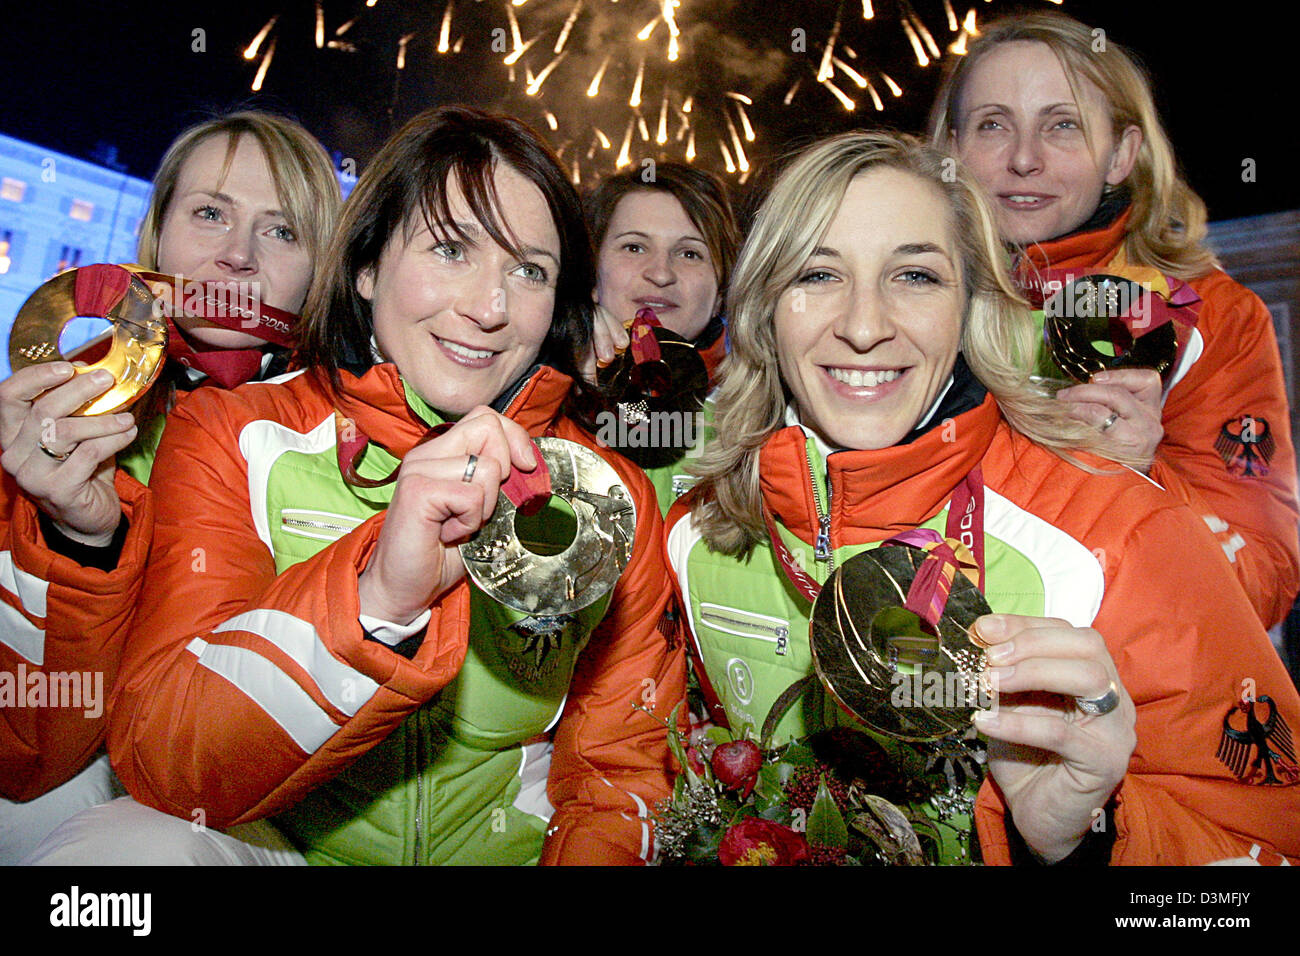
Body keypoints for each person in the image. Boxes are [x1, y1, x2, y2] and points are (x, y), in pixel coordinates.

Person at [29, 106, 682, 866]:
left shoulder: (611, 494)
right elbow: (164, 762)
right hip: (287, 853)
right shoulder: (230, 434)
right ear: (366, 267)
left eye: (528, 270)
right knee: (120, 854)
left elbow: (619, 775)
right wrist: (377, 600)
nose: (489, 308)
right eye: (449, 249)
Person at [666, 130, 1300, 865]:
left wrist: (1076, 841)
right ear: (763, 309)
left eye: (916, 277)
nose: (865, 326)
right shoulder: (699, 530)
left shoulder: (1125, 532)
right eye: (816, 274)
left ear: (972, 303)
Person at [0, 111, 340, 861]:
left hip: (283, 811)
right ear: (157, 237)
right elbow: (27, 752)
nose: (238, 257)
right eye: (211, 214)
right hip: (83, 764)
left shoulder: (364, 424)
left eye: (283, 231)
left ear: (326, 268)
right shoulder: (54, 406)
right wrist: (79, 542)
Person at [928, 11, 1298, 629]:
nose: (1024, 159)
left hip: (1119, 698)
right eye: (993, 125)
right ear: (950, 149)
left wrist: (1142, 477)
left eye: (1063, 126)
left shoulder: (1214, 318)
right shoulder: (897, 304)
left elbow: (1262, 582)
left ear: (1121, 154)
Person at [584, 163, 739, 511]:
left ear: (720, 294)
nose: (660, 273)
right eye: (634, 247)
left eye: (689, 253)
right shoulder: (533, 392)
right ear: (593, 273)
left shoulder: (765, 424)